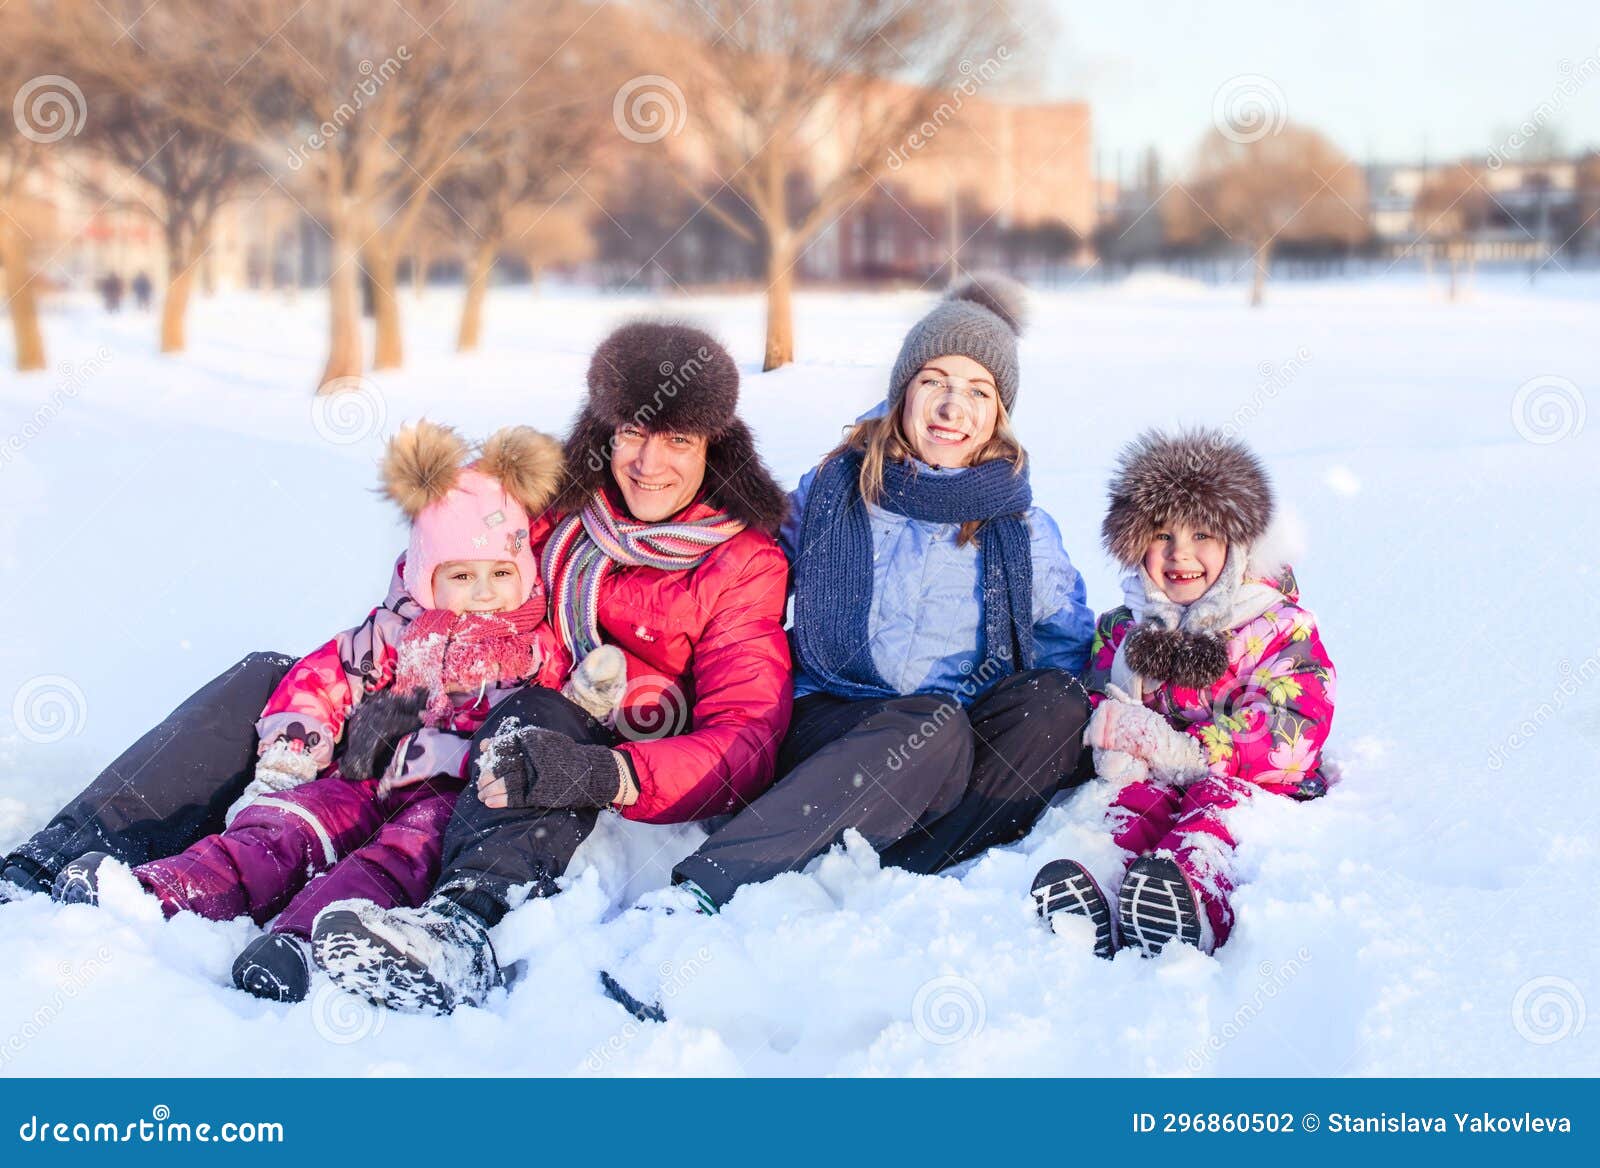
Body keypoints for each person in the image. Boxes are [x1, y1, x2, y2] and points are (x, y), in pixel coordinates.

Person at [307, 320, 795, 1014]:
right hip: (472, 713)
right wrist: (403, 681)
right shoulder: (552, 510)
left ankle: (463, 932)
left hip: (604, 755)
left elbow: (744, 737)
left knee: (536, 715)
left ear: (713, 447)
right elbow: (441, 561)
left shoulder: (740, 563)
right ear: (603, 432)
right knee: (273, 676)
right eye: (632, 432)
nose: (648, 463)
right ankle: (111, 847)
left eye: (678, 440)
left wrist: (612, 773)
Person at [45, 424, 623, 1004]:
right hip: (363, 779)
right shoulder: (393, 633)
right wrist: (292, 754)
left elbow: (553, 716)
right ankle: (157, 893)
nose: (485, 592)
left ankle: (301, 945)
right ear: (427, 576)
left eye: (501, 573)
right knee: (281, 830)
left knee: (394, 863)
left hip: (450, 802)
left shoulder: (535, 648)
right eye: (462, 576)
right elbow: (321, 679)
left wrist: (591, 696)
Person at [653, 275, 1096, 917]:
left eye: (978, 390)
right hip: (837, 717)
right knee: (932, 725)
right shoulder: (836, 488)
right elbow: (745, 572)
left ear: (998, 413)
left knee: (1057, 704)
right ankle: (707, 886)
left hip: (954, 749)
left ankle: (892, 869)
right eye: (934, 381)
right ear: (903, 392)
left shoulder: (1022, 527)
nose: (952, 407)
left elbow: (1067, 646)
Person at [1030, 429, 1337, 957]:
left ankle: (1190, 898)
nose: (1181, 554)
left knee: (1214, 815)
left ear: (1238, 545)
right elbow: (1100, 693)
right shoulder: (1125, 630)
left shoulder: (1276, 626)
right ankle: (1099, 891)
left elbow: (1293, 724)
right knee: (1128, 804)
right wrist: (1116, 732)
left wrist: (1190, 751)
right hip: (1153, 779)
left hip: (1247, 780)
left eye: (1202, 536)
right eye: (1162, 536)